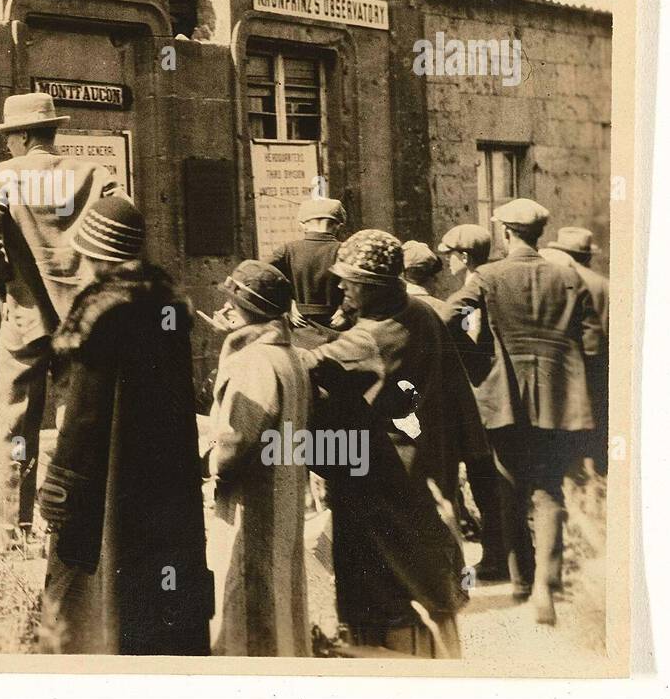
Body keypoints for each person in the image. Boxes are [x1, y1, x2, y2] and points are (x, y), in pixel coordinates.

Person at [36, 195, 211, 654]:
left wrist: (60, 491)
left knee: (95, 594)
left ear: (92, 255)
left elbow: (85, 420)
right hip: (164, 484)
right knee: (157, 587)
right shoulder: (169, 303)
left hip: (110, 484)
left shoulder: (101, 313)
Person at [301, 229, 479, 658]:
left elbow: (308, 365)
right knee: (426, 576)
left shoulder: (371, 339)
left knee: (382, 584)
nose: (340, 285)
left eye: (350, 280)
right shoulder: (419, 313)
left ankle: (393, 667)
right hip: (424, 466)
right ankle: (437, 661)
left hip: (382, 480)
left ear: (375, 287)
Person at [0, 92, 119, 550]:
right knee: (80, 417)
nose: (7, 146)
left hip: (25, 316)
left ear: (21, 135)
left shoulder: (3, 177)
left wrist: (7, 291)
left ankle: (11, 529)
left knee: (15, 420)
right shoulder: (94, 174)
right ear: (52, 131)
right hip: (86, 319)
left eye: (8, 137)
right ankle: (72, 522)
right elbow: (123, 233)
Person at [443, 200, 602, 625]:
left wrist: (478, 361)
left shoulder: (488, 275)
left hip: (505, 397)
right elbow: (592, 343)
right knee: (548, 491)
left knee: (508, 489)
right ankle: (545, 589)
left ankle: (520, 581)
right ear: (537, 233)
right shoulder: (568, 275)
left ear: (506, 234)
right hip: (560, 398)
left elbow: (449, 316)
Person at [205, 260, 311, 656]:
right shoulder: (290, 355)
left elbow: (235, 441)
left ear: (256, 310)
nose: (226, 309)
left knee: (247, 594)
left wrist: (209, 462)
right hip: (285, 490)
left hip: (254, 500)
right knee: (280, 590)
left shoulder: (254, 362)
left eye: (235, 302)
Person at [438, 223, 509, 584]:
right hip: (507, 395)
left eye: (450, 254)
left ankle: (497, 559)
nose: (448, 260)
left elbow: (454, 324)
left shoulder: (474, 287)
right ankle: (503, 556)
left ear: (463, 257)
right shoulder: (495, 280)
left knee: (486, 480)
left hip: (487, 397)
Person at [545, 227, 610, 476]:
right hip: (598, 372)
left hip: (567, 374)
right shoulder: (604, 285)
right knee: (596, 440)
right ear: (588, 256)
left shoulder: (562, 282)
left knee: (569, 449)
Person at [265, 197, 347, 331]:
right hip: (337, 326)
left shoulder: (288, 250)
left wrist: (287, 305)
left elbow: (258, 276)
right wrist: (346, 310)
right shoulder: (346, 250)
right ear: (339, 225)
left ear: (303, 225)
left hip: (298, 327)